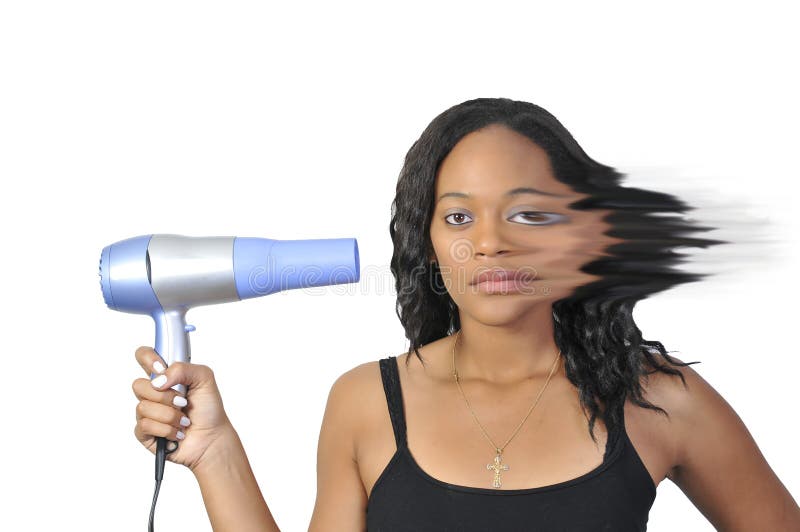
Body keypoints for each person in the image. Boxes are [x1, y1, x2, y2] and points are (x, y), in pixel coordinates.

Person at [130, 98, 800, 531]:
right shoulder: (366, 402)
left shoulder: (659, 398)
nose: (490, 241)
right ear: (428, 239)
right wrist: (215, 452)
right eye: (459, 215)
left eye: (528, 213)